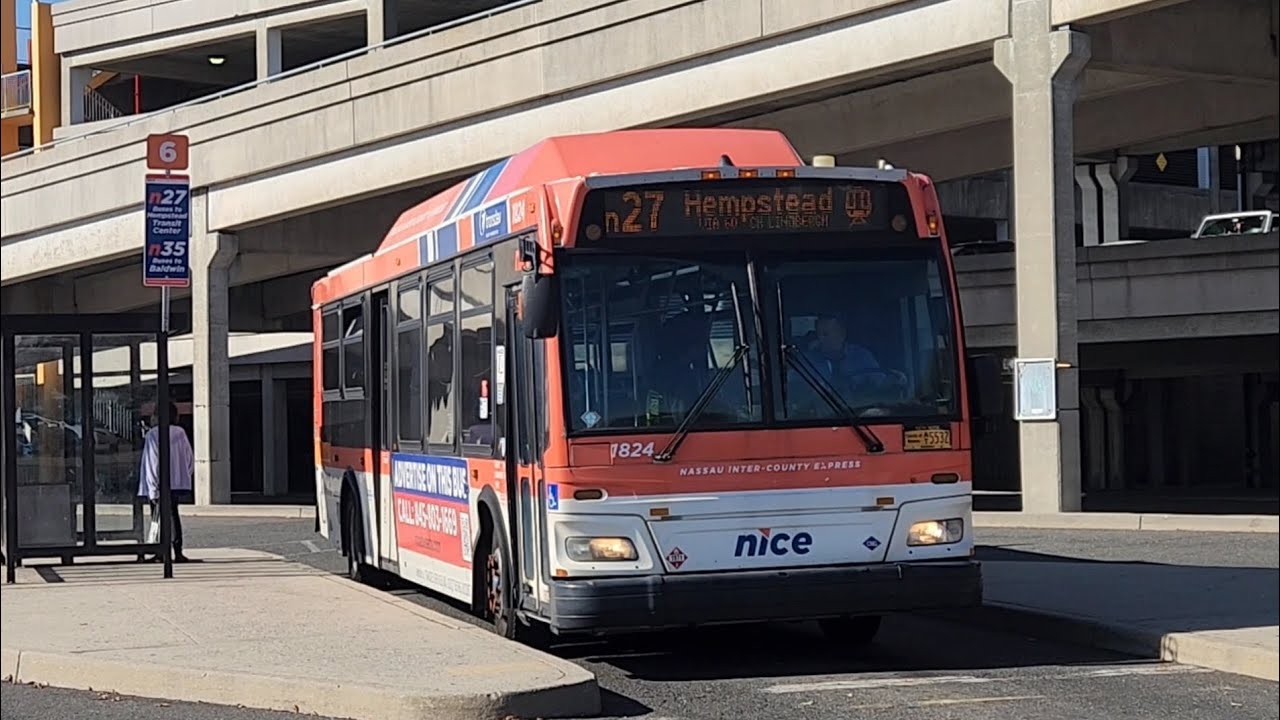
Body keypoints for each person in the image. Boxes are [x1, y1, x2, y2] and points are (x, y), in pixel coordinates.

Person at [137, 401, 194, 562]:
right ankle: (177, 550)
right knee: (173, 515)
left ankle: (160, 550)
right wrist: (184, 475)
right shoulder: (180, 432)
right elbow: (189, 458)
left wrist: (153, 487)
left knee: (158, 516)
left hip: (158, 484)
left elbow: (152, 462)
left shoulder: (153, 434)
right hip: (176, 482)